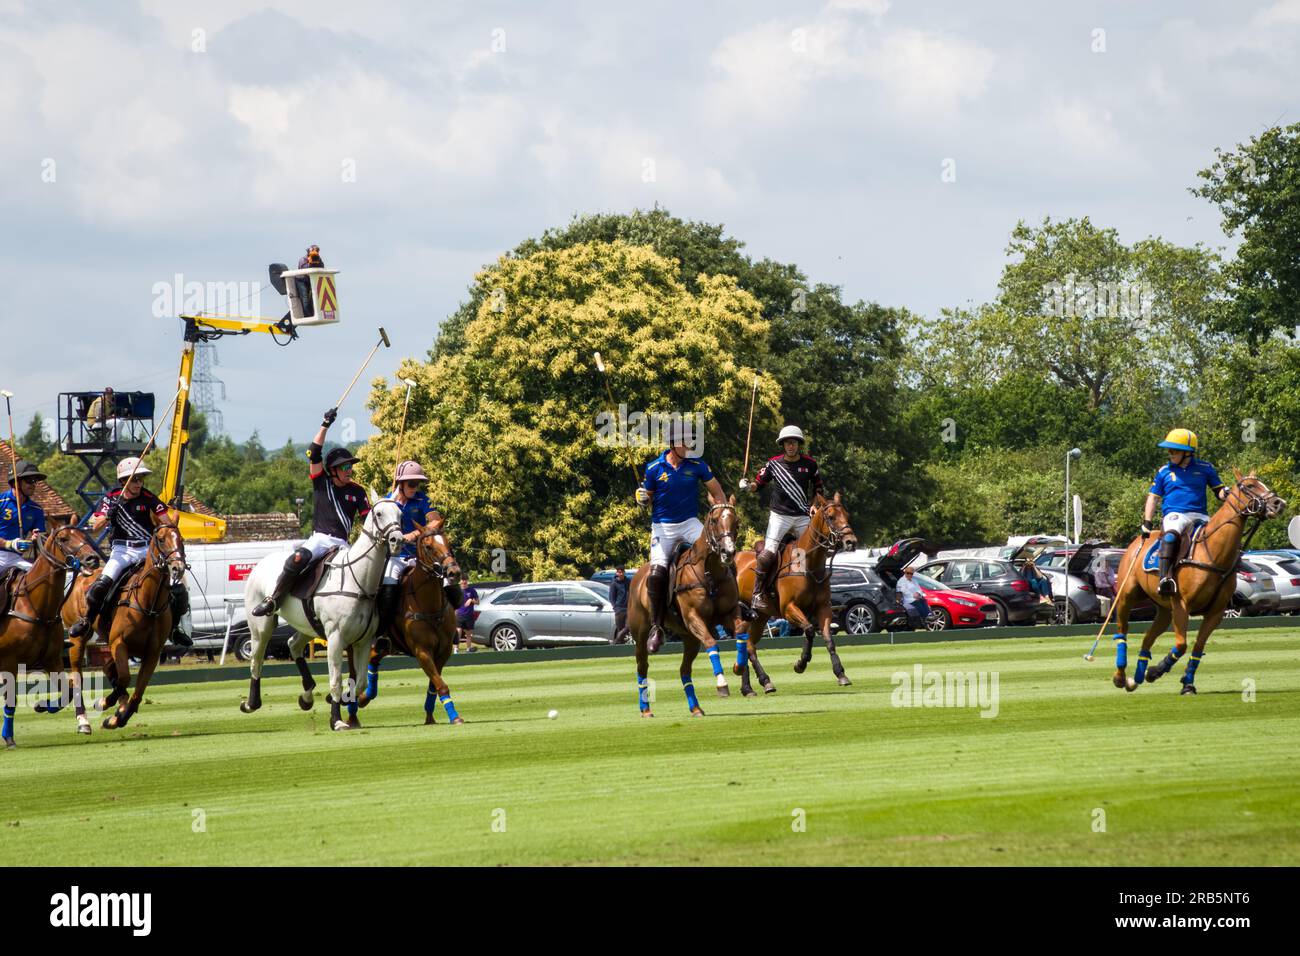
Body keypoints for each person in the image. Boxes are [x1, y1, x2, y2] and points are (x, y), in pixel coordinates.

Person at [251, 407, 369, 617]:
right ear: (332, 470)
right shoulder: (322, 482)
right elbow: (313, 453)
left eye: (350, 466)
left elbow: (368, 521)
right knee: (297, 558)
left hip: (343, 544)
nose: (349, 470)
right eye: (344, 467)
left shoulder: (358, 491)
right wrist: (325, 424)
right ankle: (274, 600)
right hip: (320, 540)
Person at [68, 458, 191, 645]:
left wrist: (172, 525)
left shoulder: (149, 498)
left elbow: (166, 524)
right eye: (135, 479)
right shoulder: (111, 498)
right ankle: (86, 620)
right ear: (123, 481)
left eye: (141, 479)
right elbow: (95, 527)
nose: (139, 483)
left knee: (178, 589)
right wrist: (110, 513)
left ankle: (173, 629)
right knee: (100, 585)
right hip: (121, 551)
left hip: (146, 551)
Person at [635, 423, 727, 654]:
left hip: (689, 523)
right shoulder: (654, 468)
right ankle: (657, 627)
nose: (689, 445)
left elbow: (717, 492)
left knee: (721, 551)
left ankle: (734, 603)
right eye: (685, 441)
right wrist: (641, 499)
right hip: (663, 528)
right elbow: (647, 499)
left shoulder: (697, 465)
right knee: (657, 573)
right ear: (674, 444)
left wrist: (721, 510)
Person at [738, 424, 824, 614]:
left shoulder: (810, 464)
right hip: (780, 516)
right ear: (783, 445)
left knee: (807, 553)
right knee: (768, 553)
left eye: (794, 443)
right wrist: (748, 486)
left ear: (798, 444)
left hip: (802, 516)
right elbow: (758, 484)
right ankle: (758, 592)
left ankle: (804, 593)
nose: (791, 446)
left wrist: (814, 505)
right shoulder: (773, 464)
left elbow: (818, 489)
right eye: (787, 443)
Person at [378, 460, 460, 639]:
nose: (415, 487)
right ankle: (383, 633)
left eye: (418, 483)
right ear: (400, 484)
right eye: (411, 483)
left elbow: (435, 522)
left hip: (423, 557)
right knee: (388, 586)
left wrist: (414, 534)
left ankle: (451, 625)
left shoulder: (423, 500)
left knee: (450, 584)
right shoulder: (387, 503)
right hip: (397, 557)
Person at [1143, 429, 1227, 596]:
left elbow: (1219, 492)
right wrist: (1147, 521)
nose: (1169, 454)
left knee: (1222, 537)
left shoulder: (1206, 468)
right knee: (1170, 535)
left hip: (1200, 516)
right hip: (1175, 515)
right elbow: (1153, 498)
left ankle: (1227, 580)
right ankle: (1165, 579)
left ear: (1187, 452)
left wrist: (1227, 492)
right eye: (1169, 450)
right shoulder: (1164, 471)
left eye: (1173, 450)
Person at [0, 460, 47, 617]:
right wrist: (9, 543)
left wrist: (36, 538)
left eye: (35, 481)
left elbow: (41, 536)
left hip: (17, 559)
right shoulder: (1, 502)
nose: (33, 484)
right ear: (16, 482)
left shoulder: (36, 509)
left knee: (44, 580)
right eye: (29, 480)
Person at [294, 245, 324, 319]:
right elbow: (304, 270)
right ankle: (307, 316)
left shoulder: (318, 258)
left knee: (314, 297)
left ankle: (313, 313)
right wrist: (310, 263)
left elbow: (322, 266)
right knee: (305, 298)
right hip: (301, 280)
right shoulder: (303, 259)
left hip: (310, 279)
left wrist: (317, 262)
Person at [454, 573, 479, 653]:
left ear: (467, 581)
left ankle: (468, 649)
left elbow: (478, 602)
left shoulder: (472, 590)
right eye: (462, 582)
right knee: (458, 632)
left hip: (469, 615)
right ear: (459, 582)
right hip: (459, 615)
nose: (464, 584)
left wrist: (471, 600)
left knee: (468, 634)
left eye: (465, 582)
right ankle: (456, 650)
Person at [609, 566, 630, 643]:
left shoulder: (628, 582)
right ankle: (620, 645)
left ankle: (615, 642)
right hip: (619, 609)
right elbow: (611, 597)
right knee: (620, 629)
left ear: (624, 572)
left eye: (621, 572)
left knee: (628, 627)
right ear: (616, 573)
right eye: (618, 572)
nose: (620, 574)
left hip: (628, 609)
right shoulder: (614, 583)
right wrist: (615, 608)